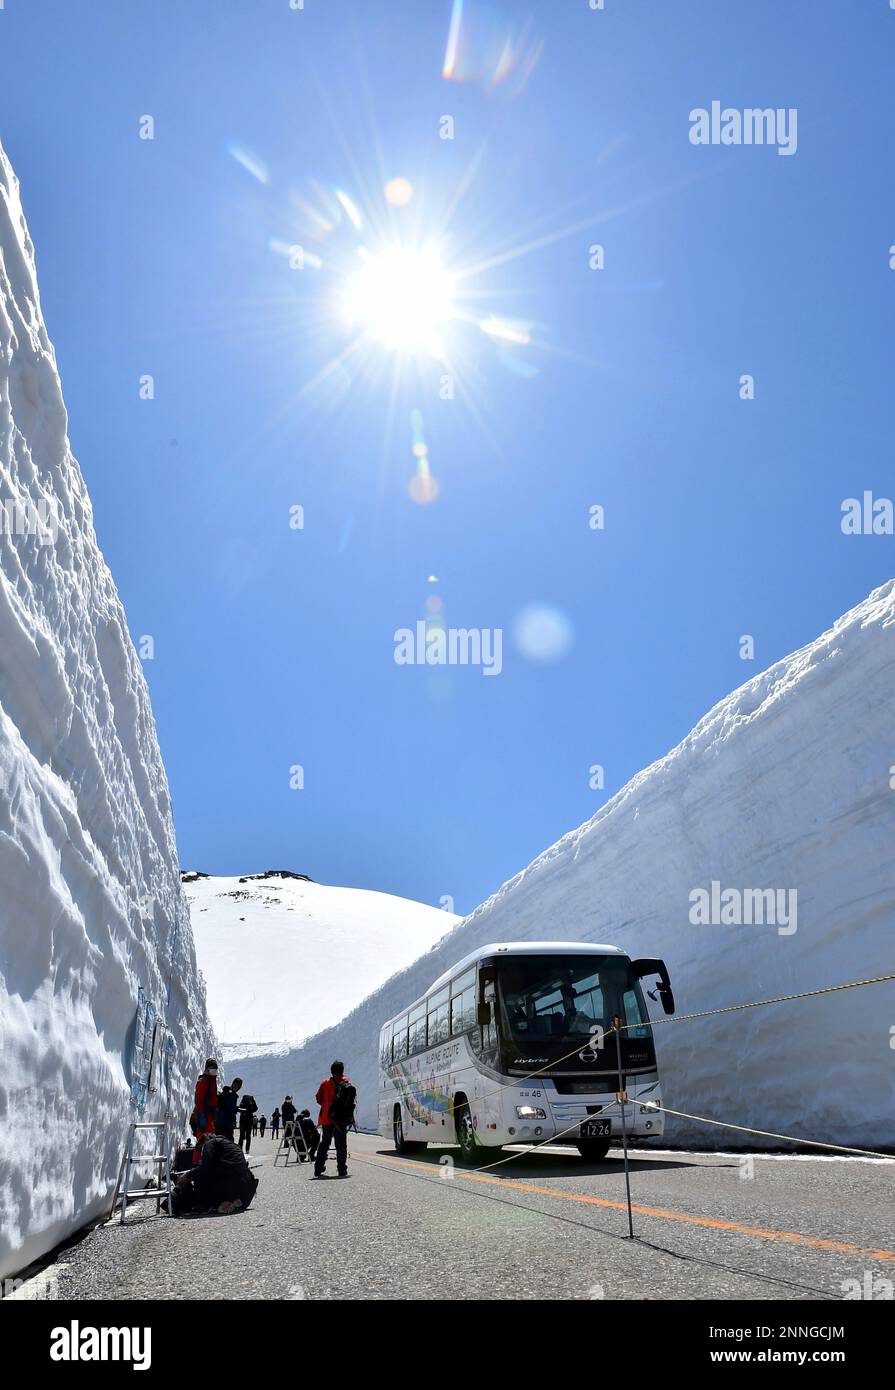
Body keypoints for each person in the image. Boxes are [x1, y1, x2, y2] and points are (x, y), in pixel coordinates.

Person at [171, 1134, 258, 1216]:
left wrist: (187, 1176)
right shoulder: (230, 1144)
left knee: (200, 1170)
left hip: (229, 1184)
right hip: (243, 1189)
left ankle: (191, 1202)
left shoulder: (210, 1143)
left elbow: (205, 1168)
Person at [312, 1061, 355, 1179]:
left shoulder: (325, 1083)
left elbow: (318, 1098)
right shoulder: (346, 1083)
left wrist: (327, 1106)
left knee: (325, 1144)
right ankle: (342, 1169)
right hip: (341, 1119)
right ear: (342, 1070)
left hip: (328, 1118)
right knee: (341, 1145)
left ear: (331, 1071)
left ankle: (318, 1168)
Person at [191, 1058, 219, 1146]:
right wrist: (201, 1114)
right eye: (211, 1068)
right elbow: (199, 1099)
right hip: (204, 1113)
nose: (213, 1070)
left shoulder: (211, 1080)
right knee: (204, 1138)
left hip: (210, 1113)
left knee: (210, 1137)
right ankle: (200, 1158)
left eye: (215, 1068)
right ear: (207, 1069)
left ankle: (207, 1157)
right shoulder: (203, 1081)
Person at [216, 1077, 242, 1142]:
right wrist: (234, 1120)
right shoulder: (231, 1094)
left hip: (218, 1121)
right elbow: (230, 1110)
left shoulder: (226, 1092)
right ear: (233, 1083)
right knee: (228, 1143)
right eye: (238, 1085)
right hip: (226, 1123)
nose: (238, 1087)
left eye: (240, 1086)